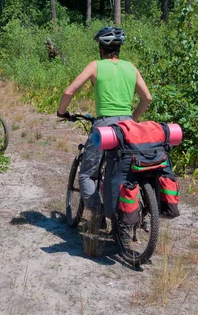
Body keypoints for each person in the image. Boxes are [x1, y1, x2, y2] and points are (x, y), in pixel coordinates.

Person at [56, 27, 152, 239]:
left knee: (87, 174)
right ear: (119, 49)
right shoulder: (131, 68)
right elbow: (147, 98)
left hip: (104, 127)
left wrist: (61, 112)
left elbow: (69, 91)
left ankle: (98, 215)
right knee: (126, 172)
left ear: (101, 48)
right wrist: (131, 120)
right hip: (128, 127)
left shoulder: (95, 66)